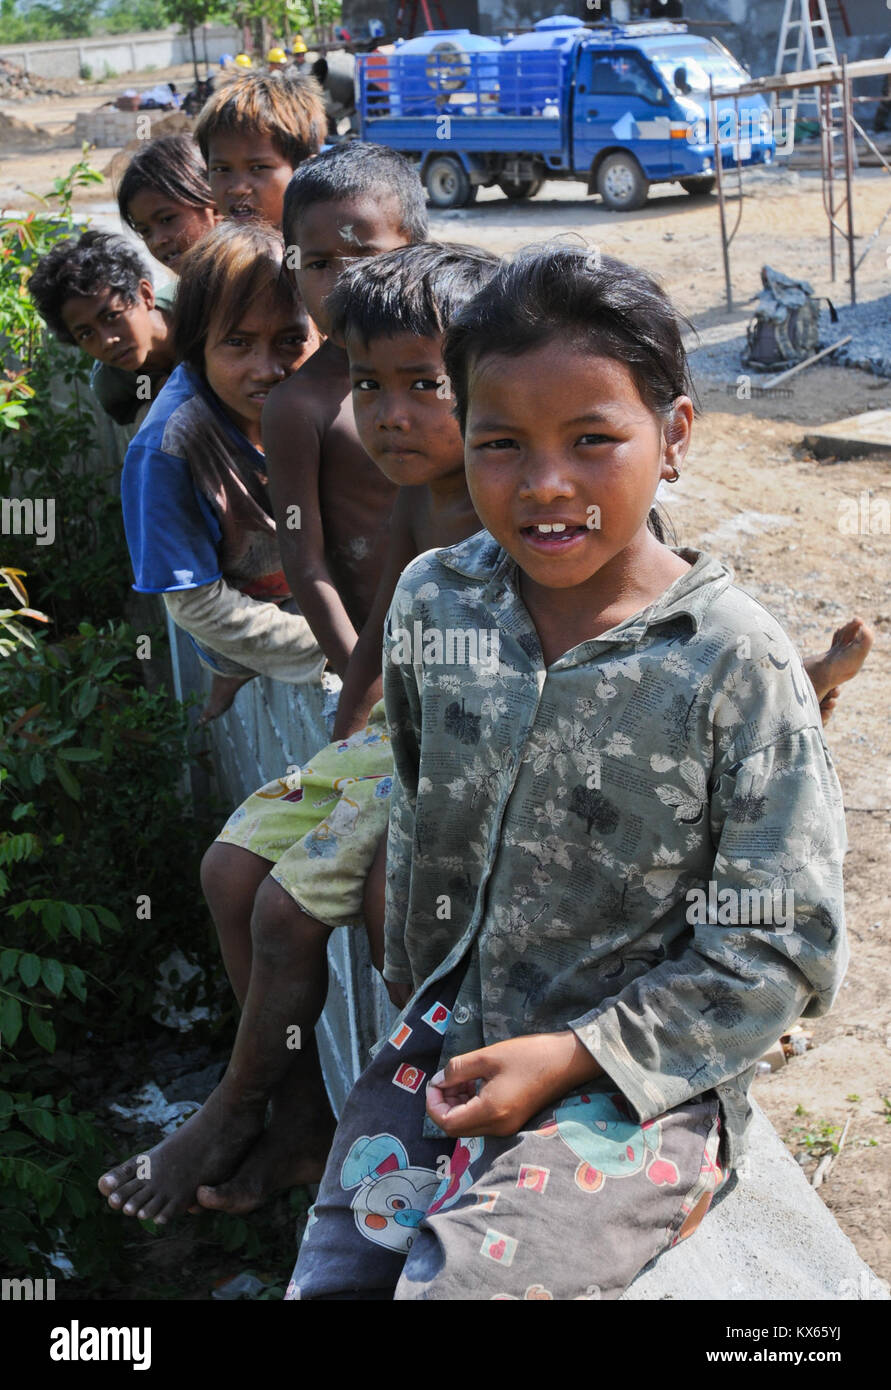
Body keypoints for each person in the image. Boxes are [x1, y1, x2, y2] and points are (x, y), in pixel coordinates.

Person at [285, 245, 850, 1300]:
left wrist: (577, 1055)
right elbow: (415, 808)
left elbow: (784, 944)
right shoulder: (436, 602)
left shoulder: (731, 660)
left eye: (593, 440)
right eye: (501, 444)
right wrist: (417, 989)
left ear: (672, 436)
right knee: (341, 1274)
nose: (545, 484)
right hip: (455, 1034)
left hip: (644, 1080)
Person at [96, 240, 499, 1226]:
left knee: (292, 912)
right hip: (397, 730)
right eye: (368, 384)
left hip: (461, 756)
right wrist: (350, 706)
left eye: (424, 385)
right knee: (228, 868)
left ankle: (245, 1107)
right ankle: (300, 1107)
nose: (390, 413)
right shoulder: (420, 494)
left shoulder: (510, 509)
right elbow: (379, 636)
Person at [119, 221, 325, 724]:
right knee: (229, 659)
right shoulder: (169, 449)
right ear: (197, 346)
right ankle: (226, 679)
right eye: (237, 342)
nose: (267, 368)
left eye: (290, 340)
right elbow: (196, 606)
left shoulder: (334, 393)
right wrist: (347, 651)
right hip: (241, 614)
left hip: (308, 582)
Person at [262, 142, 428, 679]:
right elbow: (305, 562)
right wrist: (364, 678)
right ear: (293, 273)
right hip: (387, 659)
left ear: (418, 255)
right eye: (320, 264)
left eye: (367, 259)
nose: (345, 283)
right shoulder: (298, 407)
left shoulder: (463, 368)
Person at [28, 229, 176, 428]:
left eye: (112, 316)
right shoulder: (113, 383)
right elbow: (142, 399)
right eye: (86, 333)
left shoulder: (202, 307)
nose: (107, 341)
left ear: (145, 295)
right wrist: (156, 384)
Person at [194, 69, 325, 228]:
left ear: (305, 172)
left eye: (257, 167)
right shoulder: (215, 251)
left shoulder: (328, 247)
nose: (237, 189)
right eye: (222, 169)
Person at [117, 134, 219, 274]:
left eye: (167, 219)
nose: (157, 241)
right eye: (145, 231)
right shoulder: (187, 293)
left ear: (215, 208)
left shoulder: (253, 282)